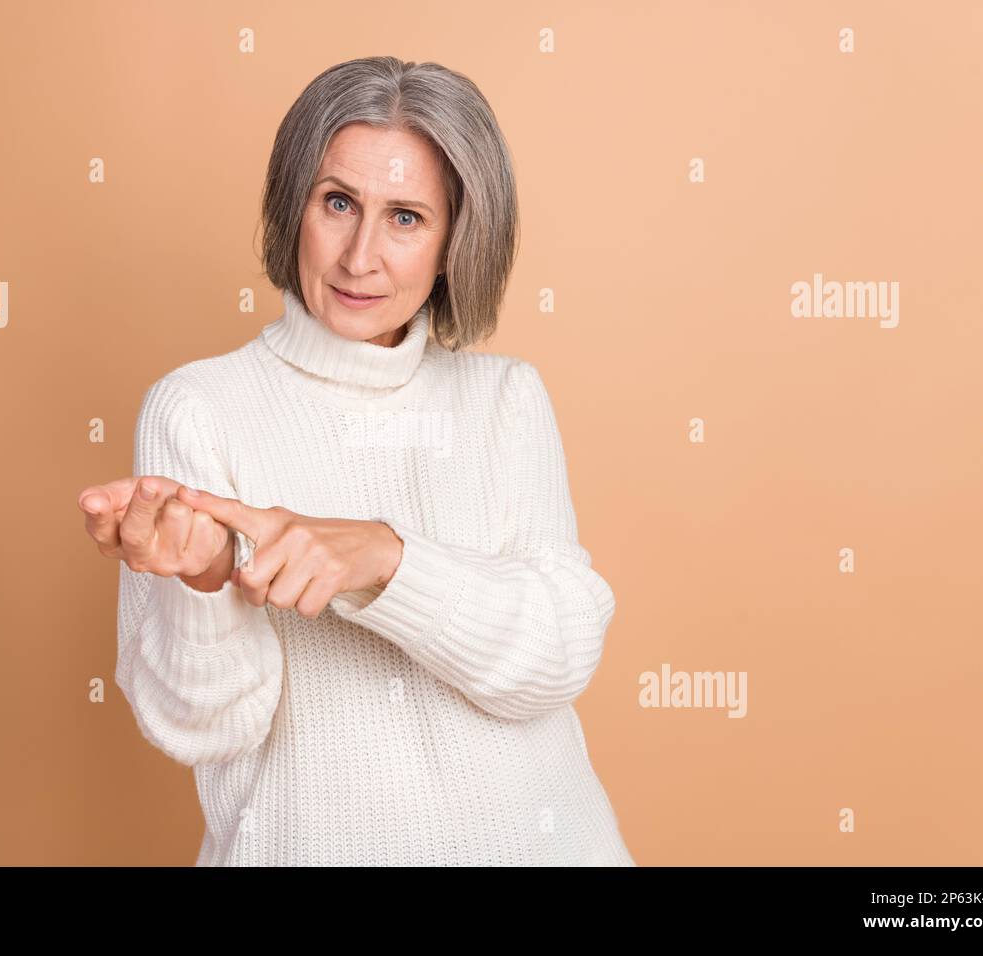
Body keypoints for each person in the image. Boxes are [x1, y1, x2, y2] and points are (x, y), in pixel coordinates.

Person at [78, 55, 636, 866]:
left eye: (406, 217)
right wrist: (204, 588)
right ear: (293, 206)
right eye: (338, 203)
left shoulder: (505, 398)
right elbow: (201, 728)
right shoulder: (199, 408)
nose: (360, 256)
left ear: (455, 243)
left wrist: (384, 560)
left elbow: (553, 662)